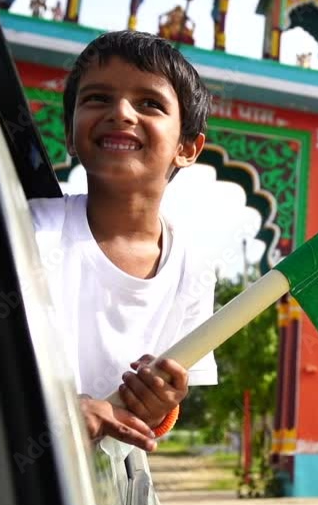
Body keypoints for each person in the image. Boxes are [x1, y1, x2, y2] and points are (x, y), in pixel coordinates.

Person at [28, 30, 218, 453]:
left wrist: (159, 408)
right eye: (97, 98)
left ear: (188, 147)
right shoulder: (29, 232)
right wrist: (53, 411)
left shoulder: (192, 266)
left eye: (149, 103)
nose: (121, 113)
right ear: (71, 132)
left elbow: (162, 405)